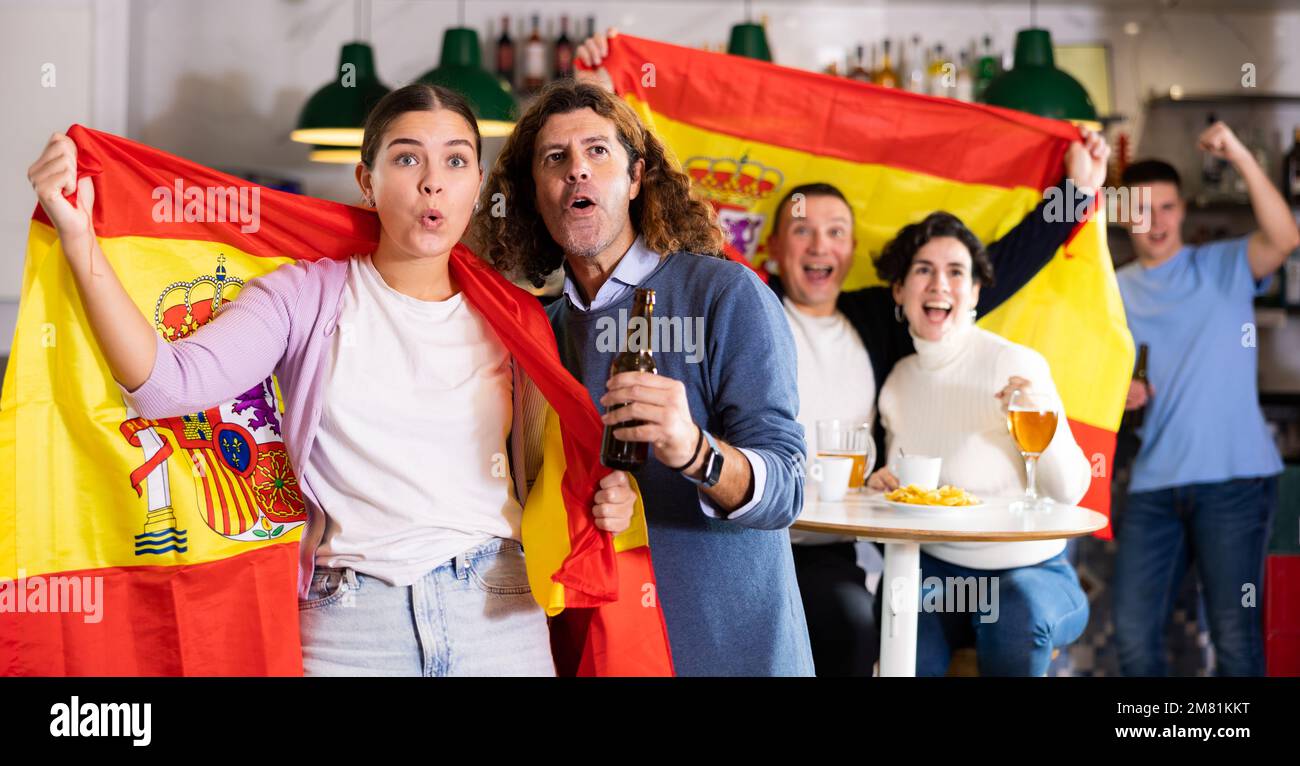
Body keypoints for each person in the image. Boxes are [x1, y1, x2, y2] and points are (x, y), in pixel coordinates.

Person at [26, 83, 636, 677]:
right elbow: (169, 385)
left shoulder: (518, 318)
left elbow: (563, 464)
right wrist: (79, 239)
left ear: (476, 184)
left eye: (455, 160)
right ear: (366, 183)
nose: (432, 180)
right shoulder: (303, 298)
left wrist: (609, 496)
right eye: (406, 158)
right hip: (350, 628)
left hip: (499, 613)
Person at [473, 77, 813, 676]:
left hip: (729, 648)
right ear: (535, 192)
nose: (577, 170)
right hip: (598, 647)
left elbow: (786, 486)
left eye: (597, 151)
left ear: (635, 179)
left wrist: (695, 452)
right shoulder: (538, 332)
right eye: (555, 158)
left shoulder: (725, 294)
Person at [763, 134, 1109, 676]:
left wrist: (1074, 196)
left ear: (852, 252)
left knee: (861, 625)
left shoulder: (878, 321)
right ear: (774, 247)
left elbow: (966, 282)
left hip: (832, 547)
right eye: (801, 230)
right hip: (749, 532)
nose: (818, 246)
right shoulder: (744, 305)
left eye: (835, 232)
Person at [866, 212, 1094, 676]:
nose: (939, 284)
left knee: (1017, 611)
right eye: (923, 270)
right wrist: (880, 489)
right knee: (897, 613)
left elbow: (1070, 490)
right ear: (900, 291)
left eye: (956, 272)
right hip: (935, 573)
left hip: (1032, 573)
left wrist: (1037, 412)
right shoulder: (897, 384)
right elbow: (906, 500)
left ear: (973, 293)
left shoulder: (1013, 363)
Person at [1112, 121, 1298, 677]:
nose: (1155, 221)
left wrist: (1238, 151)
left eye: (1166, 207)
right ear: (1124, 217)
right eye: (1140, 210)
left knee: (1235, 637)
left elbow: (1286, 237)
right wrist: (1116, 392)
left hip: (1235, 482)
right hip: (1153, 482)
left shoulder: (1222, 265)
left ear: (1183, 209)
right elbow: (1091, 374)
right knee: (1132, 632)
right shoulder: (1111, 288)